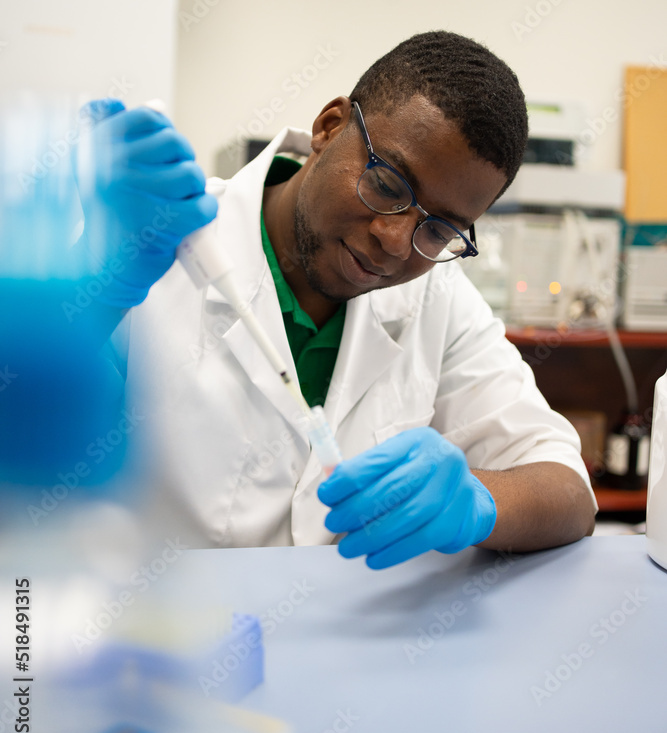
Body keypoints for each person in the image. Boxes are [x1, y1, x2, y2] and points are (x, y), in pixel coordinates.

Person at [83, 31, 597, 567]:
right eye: (390, 185)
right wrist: (96, 285)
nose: (397, 241)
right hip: (148, 634)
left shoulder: (436, 296)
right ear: (329, 128)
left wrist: (478, 500)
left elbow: (568, 492)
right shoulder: (152, 238)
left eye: (441, 230)